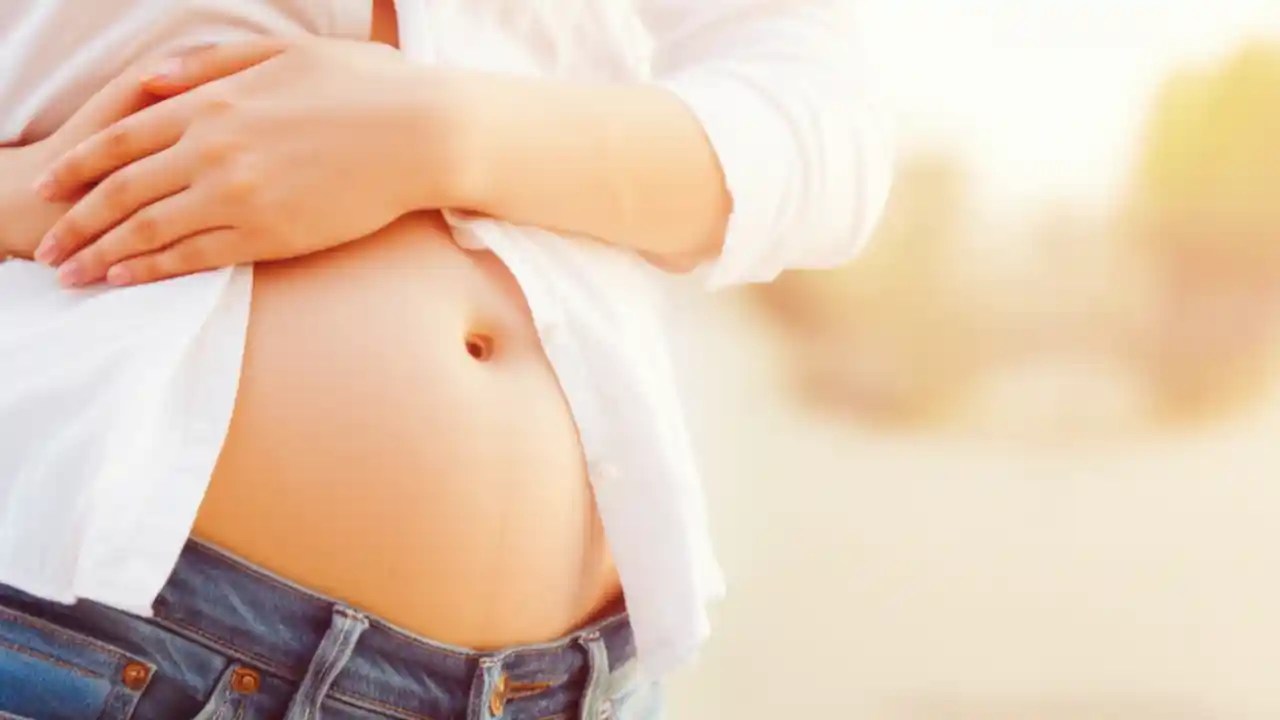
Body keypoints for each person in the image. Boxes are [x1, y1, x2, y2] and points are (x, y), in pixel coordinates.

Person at [0, 0, 891, 717]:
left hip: (573, 684)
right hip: (101, 634)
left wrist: (439, 133)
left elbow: (825, 134)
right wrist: (24, 191)